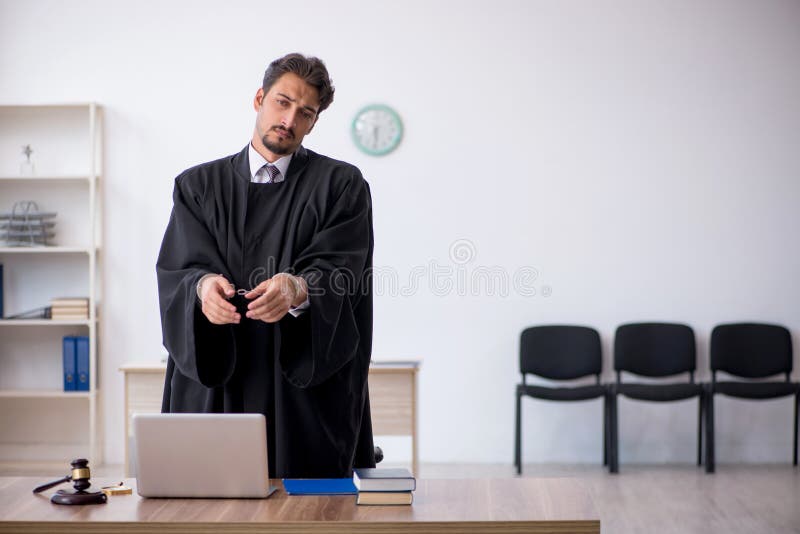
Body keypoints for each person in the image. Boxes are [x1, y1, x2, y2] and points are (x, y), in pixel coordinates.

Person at [156, 53, 375, 478]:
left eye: (305, 112)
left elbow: (342, 269)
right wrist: (202, 290)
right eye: (282, 102)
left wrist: (297, 288)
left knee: (306, 516)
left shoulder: (341, 186)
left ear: (313, 122)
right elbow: (179, 268)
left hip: (300, 388)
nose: (289, 118)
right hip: (219, 378)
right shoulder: (197, 187)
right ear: (259, 98)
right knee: (209, 508)